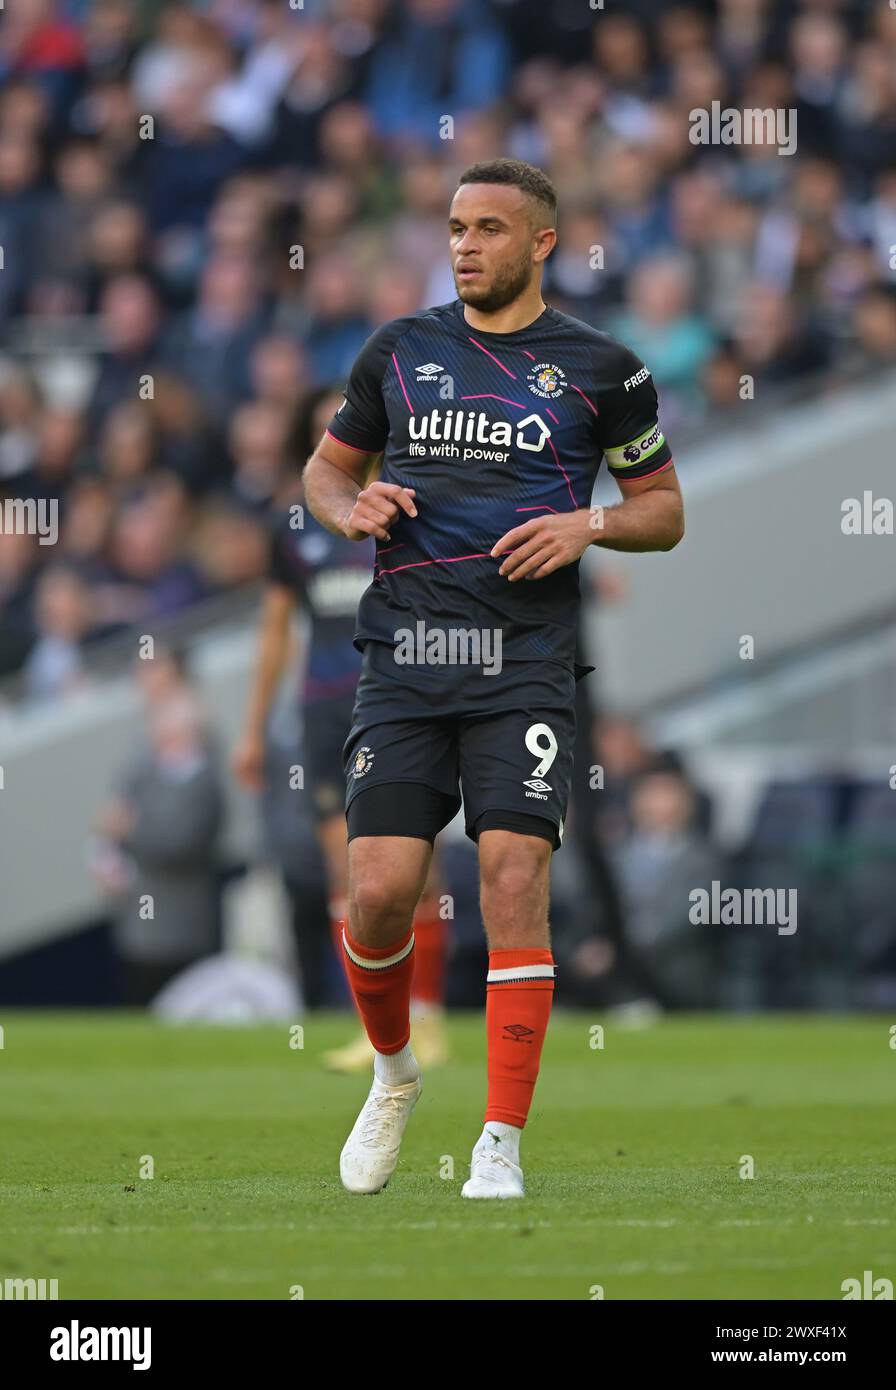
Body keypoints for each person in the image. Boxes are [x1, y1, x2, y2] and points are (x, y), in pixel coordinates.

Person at [303, 157, 684, 1199]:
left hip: (523, 664)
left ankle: (499, 1142)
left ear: (540, 242)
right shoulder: (401, 350)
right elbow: (328, 468)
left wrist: (587, 522)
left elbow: (663, 510)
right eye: (455, 227)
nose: (464, 244)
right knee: (377, 894)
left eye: (486, 228)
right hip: (406, 658)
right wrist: (351, 507)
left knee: (513, 874)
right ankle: (392, 1074)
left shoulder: (601, 369)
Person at [233, 387, 450, 1068]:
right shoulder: (296, 525)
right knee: (345, 868)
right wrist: (251, 728)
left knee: (417, 868)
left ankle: (429, 1012)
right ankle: (375, 1024)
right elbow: (274, 630)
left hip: (399, 702)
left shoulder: (410, 504)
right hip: (326, 710)